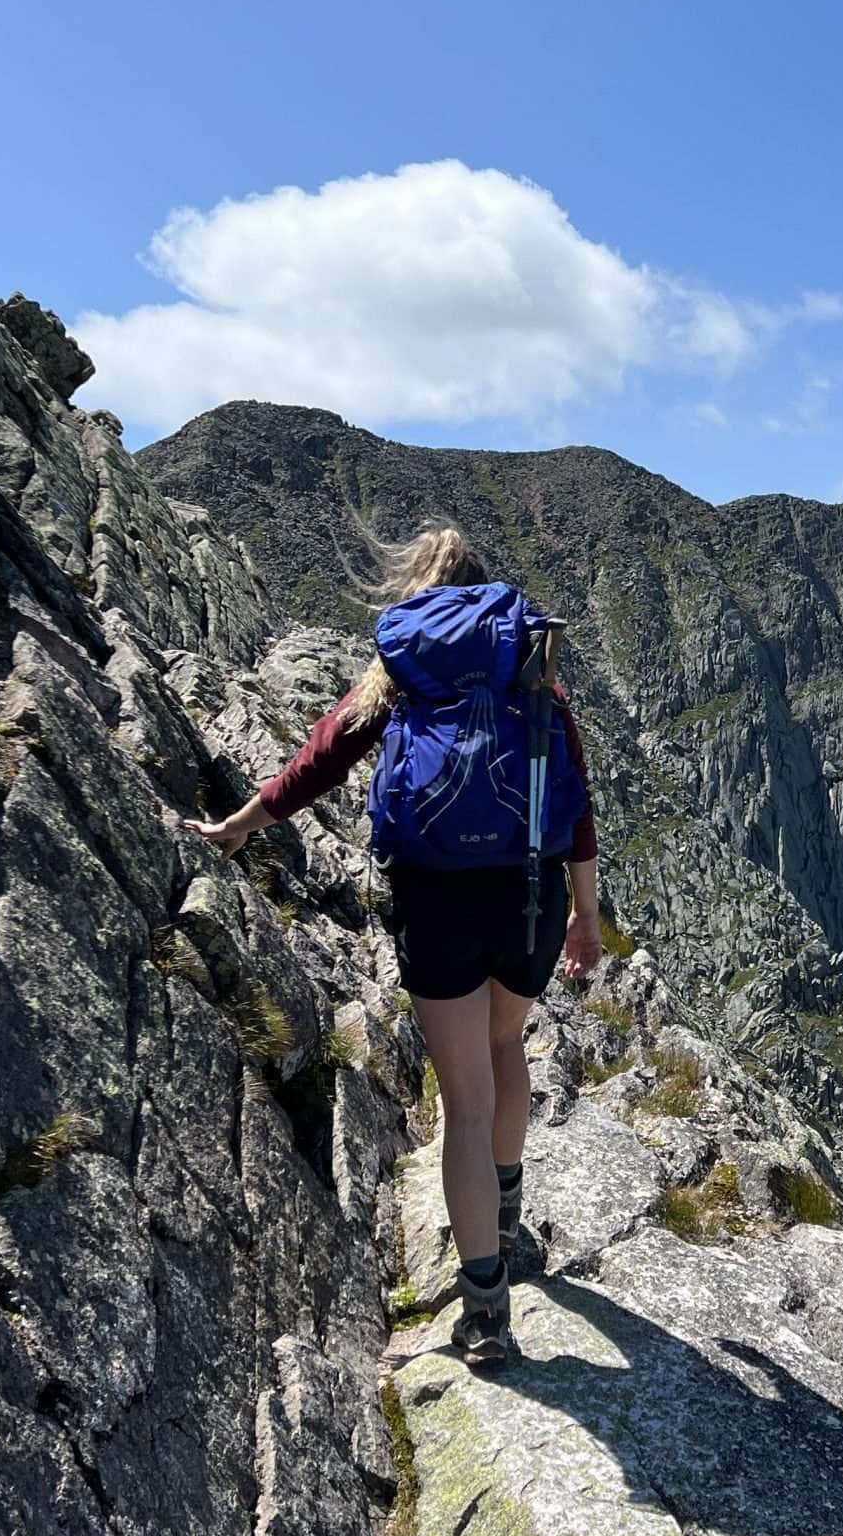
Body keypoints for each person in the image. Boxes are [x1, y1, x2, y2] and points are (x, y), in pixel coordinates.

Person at [186, 523, 602, 1365]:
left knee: (466, 1101)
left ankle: (485, 1311)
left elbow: (322, 759)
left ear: (420, 598)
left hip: (435, 899)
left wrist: (239, 825)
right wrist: (584, 919)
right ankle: (511, 1226)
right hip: (527, 897)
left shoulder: (402, 673)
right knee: (505, 1043)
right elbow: (577, 804)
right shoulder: (534, 673)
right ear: (490, 599)